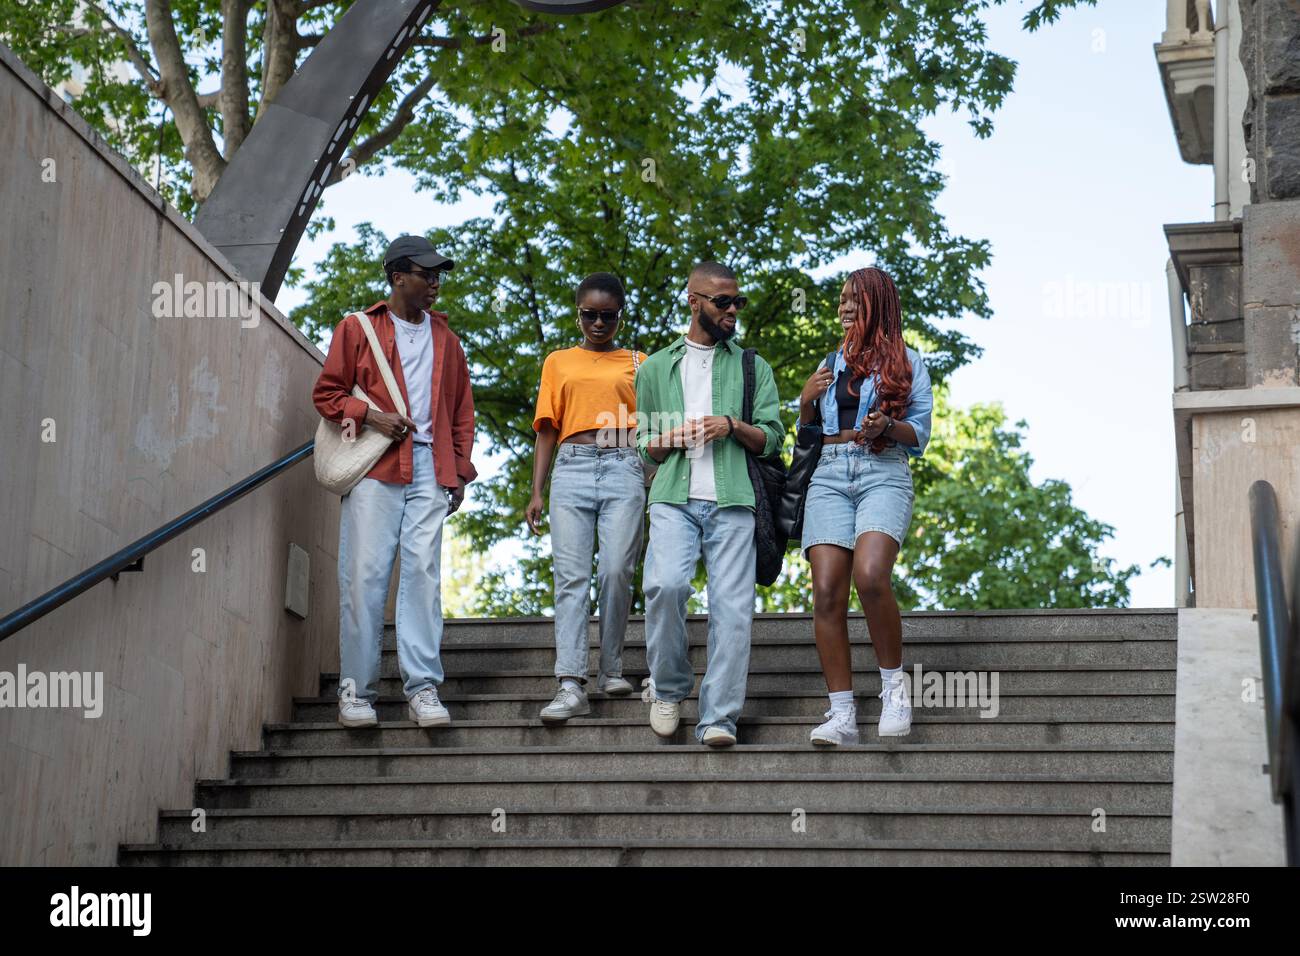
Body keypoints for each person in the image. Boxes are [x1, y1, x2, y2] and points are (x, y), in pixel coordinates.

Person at [312, 235, 477, 729]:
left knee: (423, 575)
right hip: (378, 463)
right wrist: (372, 417)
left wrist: (461, 471)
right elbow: (327, 393)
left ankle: (423, 688)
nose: (435, 284)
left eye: (438, 275)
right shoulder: (357, 327)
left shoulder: (447, 339)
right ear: (397, 277)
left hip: (431, 465)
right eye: (427, 275)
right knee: (365, 575)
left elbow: (462, 411)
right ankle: (356, 692)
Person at [635, 261, 784, 746]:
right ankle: (669, 687)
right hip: (674, 497)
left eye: (738, 301)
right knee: (664, 586)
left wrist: (731, 426)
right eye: (723, 302)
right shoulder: (657, 366)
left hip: (734, 499)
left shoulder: (751, 365)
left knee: (734, 611)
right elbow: (643, 444)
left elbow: (774, 438)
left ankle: (719, 717)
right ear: (694, 301)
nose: (733, 310)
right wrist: (668, 439)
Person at [797, 266, 933, 745]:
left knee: (871, 575)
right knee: (828, 591)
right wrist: (805, 404)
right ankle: (842, 715)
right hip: (829, 475)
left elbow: (919, 434)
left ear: (879, 303)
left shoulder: (909, 362)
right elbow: (807, 437)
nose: (845, 307)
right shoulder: (828, 363)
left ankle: (895, 690)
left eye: (855, 299)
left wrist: (885, 428)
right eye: (842, 300)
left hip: (883, 471)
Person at [526, 273, 648, 722]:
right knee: (571, 578)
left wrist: (653, 479)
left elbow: (651, 427)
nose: (598, 322)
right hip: (572, 468)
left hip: (624, 465)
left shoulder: (640, 362)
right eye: (589, 314)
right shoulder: (557, 361)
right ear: (577, 313)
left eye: (608, 315)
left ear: (619, 315)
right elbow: (546, 427)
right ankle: (570, 683)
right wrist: (536, 490)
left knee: (617, 570)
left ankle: (611, 668)